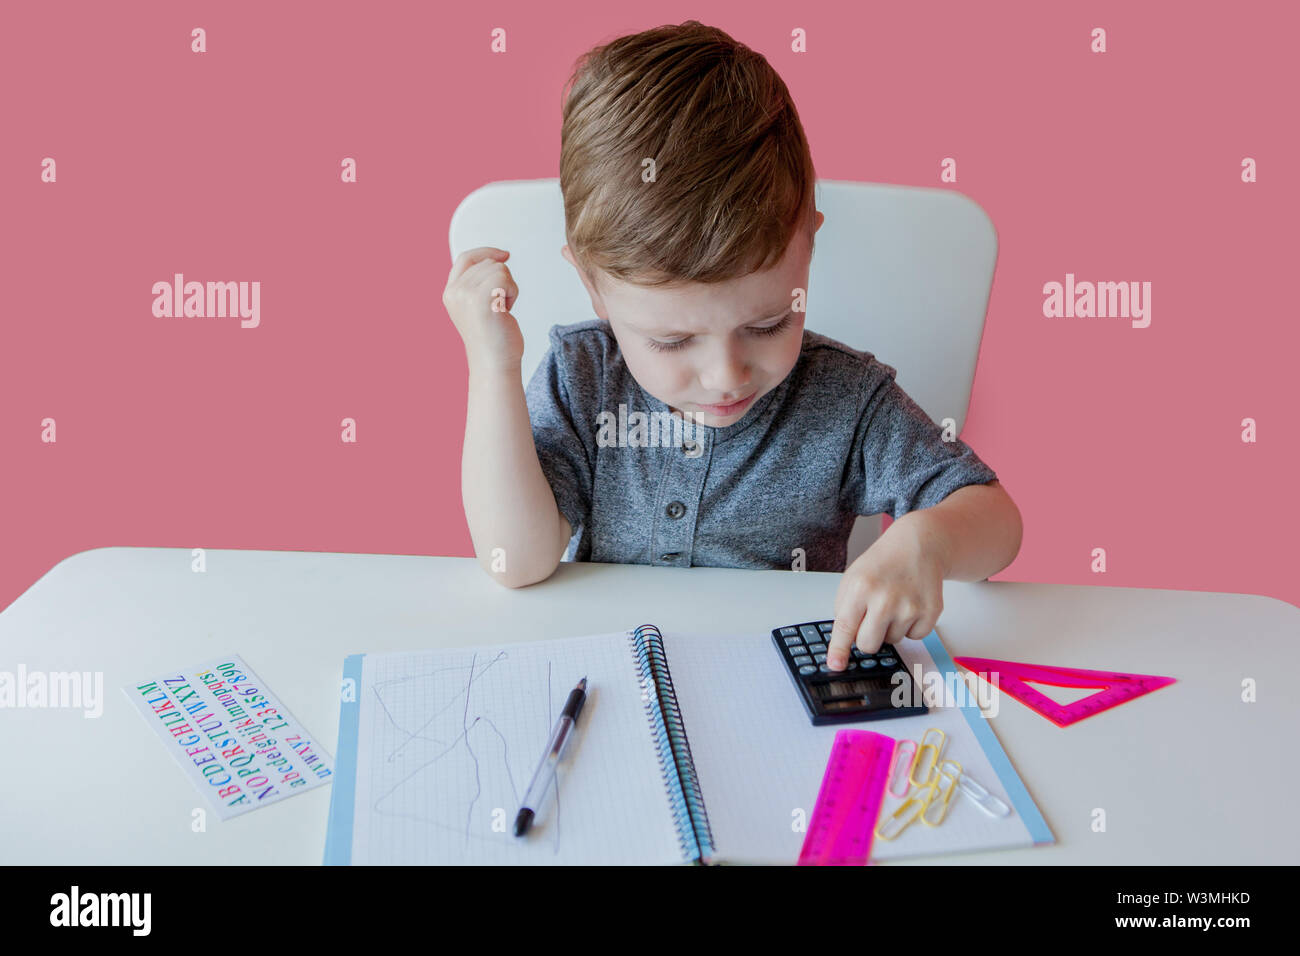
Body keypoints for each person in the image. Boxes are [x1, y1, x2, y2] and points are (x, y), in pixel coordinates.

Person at [442, 21, 1022, 670]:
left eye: (769, 324)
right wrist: (494, 365)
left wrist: (930, 543)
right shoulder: (581, 377)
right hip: (612, 680)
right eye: (671, 339)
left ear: (808, 247)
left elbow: (997, 522)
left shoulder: (845, 399)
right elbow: (515, 562)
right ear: (593, 290)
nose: (726, 375)